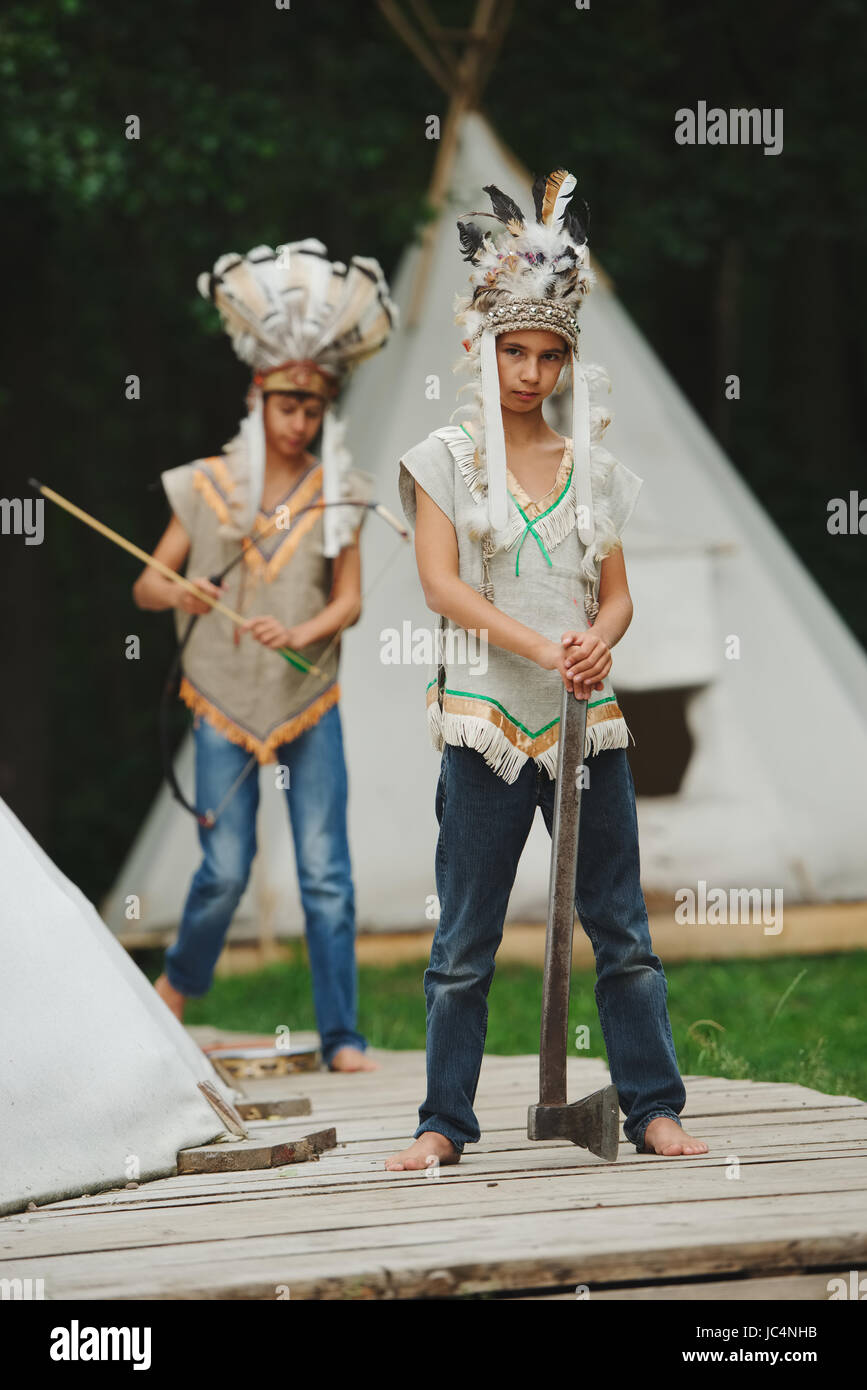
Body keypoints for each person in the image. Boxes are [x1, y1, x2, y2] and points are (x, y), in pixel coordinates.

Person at [386, 170, 709, 1163]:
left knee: (621, 927)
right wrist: (544, 646)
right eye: (513, 350)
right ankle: (444, 1126)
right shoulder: (443, 458)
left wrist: (598, 638)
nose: (530, 371)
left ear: (569, 358)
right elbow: (442, 586)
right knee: (463, 946)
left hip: (588, 726)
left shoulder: (591, 467)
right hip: (488, 721)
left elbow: (614, 592)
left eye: (548, 353)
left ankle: (654, 1107)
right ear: (482, 347)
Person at [133, 239, 397, 1073]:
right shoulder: (209, 485)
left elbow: (350, 601)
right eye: (287, 406)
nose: (300, 422)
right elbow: (147, 583)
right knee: (222, 868)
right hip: (221, 696)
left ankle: (343, 1034)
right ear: (260, 397)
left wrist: (305, 632)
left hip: (308, 695)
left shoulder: (340, 493)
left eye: (313, 410)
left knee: (326, 872)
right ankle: (176, 984)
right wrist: (181, 593)